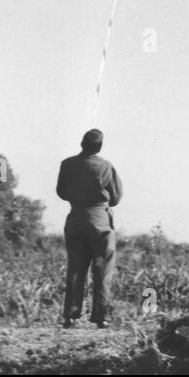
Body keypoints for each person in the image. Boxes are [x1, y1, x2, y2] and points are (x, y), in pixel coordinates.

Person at [56, 128, 123, 326]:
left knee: (76, 268)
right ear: (99, 147)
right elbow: (116, 197)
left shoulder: (67, 164)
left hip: (75, 218)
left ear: (81, 143)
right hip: (100, 221)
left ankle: (70, 315)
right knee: (102, 269)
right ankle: (101, 317)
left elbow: (61, 191)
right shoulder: (106, 166)